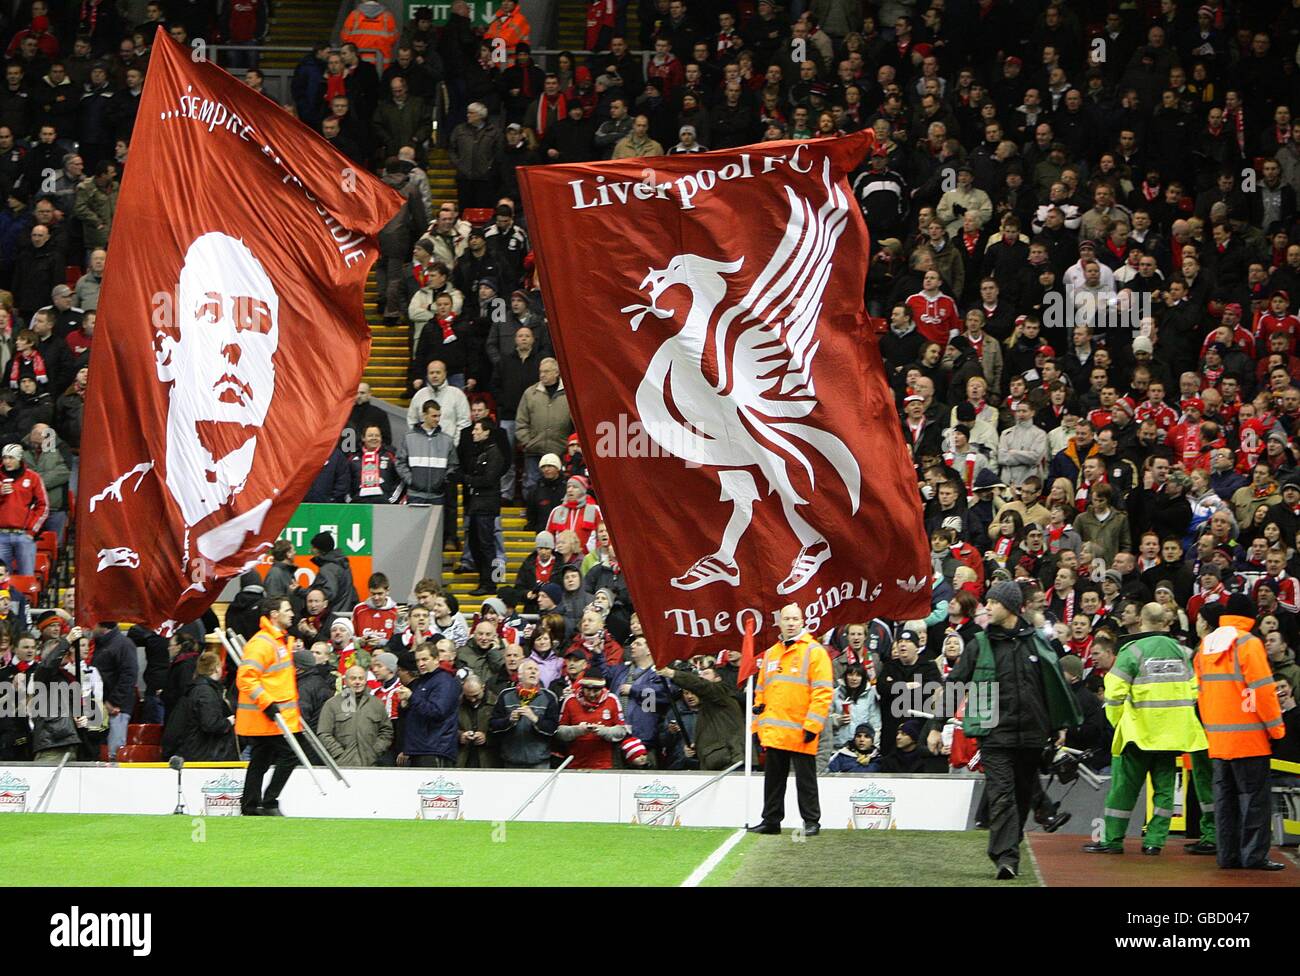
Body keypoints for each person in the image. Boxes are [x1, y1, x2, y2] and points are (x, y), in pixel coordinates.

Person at [951, 580, 1081, 880]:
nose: (987, 607)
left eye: (993, 603)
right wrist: (933, 726)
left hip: (1033, 736)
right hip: (994, 735)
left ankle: (1010, 843)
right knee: (1001, 796)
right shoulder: (980, 644)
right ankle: (1006, 858)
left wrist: (1059, 725)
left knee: (1022, 797)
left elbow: (1053, 686)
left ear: (1008, 606)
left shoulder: (1037, 642)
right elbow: (956, 682)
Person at [1083, 603, 1209, 856]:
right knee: (1164, 792)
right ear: (1166, 622)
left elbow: (1115, 692)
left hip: (1138, 734)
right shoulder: (1182, 652)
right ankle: (1154, 842)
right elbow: (1195, 692)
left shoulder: (1133, 650)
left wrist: (1120, 722)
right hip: (1172, 735)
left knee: (1123, 791)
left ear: (1141, 620)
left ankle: (1113, 840)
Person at [1194, 596, 1288, 870]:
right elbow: (1262, 692)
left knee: (1225, 803)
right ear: (1250, 617)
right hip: (1249, 740)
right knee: (1254, 803)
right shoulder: (1248, 644)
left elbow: (1201, 695)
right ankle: (1253, 856)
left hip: (1219, 741)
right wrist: (1277, 729)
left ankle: (1228, 856)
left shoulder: (1206, 646)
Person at [748, 604, 832, 836]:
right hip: (775, 730)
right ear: (780, 622)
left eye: (795, 618)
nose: (791, 623)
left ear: (802, 621)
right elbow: (761, 692)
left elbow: (823, 691)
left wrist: (813, 725)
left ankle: (811, 821)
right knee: (773, 780)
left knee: (806, 780)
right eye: (787, 619)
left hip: (801, 729)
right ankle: (771, 820)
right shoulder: (771, 653)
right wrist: (757, 726)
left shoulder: (814, 652)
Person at [236, 597, 304, 816]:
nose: (292, 613)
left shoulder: (277, 641)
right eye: (288, 609)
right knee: (290, 754)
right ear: (274, 614)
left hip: (272, 715)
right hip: (268, 715)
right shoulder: (263, 643)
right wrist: (267, 703)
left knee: (260, 759)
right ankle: (268, 801)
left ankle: (251, 805)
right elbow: (246, 678)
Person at [657, 661, 744, 770]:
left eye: (706, 674)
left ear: (718, 678)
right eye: (700, 674)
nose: (700, 677)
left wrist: (672, 674)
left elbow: (701, 685)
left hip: (733, 762)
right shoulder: (708, 704)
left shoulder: (722, 693)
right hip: (721, 762)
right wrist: (697, 748)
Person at [160, 650, 238, 762]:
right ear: (216, 668)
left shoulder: (196, 688)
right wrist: (228, 722)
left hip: (193, 748)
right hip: (202, 751)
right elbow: (210, 724)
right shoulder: (206, 692)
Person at [489, 657, 561, 768]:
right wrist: (509, 721)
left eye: (536, 670)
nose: (533, 672)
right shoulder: (505, 695)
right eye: (529, 669)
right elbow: (493, 725)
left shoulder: (549, 697)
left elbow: (553, 729)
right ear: (520, 675)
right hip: (510, 761)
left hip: (539, 762)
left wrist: (535, 719)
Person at [317, 665, 394, 767]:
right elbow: (324, 733)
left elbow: (386, 731)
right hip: (341, 766)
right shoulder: (332, 704)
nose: (357, 682)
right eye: (353, 678)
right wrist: (339, 754)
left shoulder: (377, 704)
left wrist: (375, 751)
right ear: (346, 681)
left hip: (371, 765)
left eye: (361, 678)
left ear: (365, 680)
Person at [403, 641, 461, 767]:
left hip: (436, 749)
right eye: (418, 660)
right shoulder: (420, 682)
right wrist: (405, 705)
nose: (420, 664)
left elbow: (437, 711)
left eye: (425, 659)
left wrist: (412, 698)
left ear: (436, 659)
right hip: (419, 748)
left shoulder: (445, 681)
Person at [91, 621, 137, 761]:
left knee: (114, 753)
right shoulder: (99, 644)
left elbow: (129, 675)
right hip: (99, 706)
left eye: (94, 624)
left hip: (117, 708)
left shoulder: (123, 644)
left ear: (103, 627)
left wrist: (113, 702)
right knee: (97, 751)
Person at [0, 442, 47, 574]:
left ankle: (24, 596)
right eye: (4, 458)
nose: (7, 461)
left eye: (11, 458)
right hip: (0, 535)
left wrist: (32, 531)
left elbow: (43, 505)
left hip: (23, 535)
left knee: (26, 576)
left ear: (19, 458)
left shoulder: (33, 477)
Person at [457, 673, 498, 767]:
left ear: (483, 687)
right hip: (463, 758)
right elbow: (448, 727)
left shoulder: (496, 703)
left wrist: (487, 738)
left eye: (476, 695)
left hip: (489, 759)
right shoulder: (456, 704)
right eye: (468, 696)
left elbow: (503, 731)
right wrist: (460, 736)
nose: (472, 700)